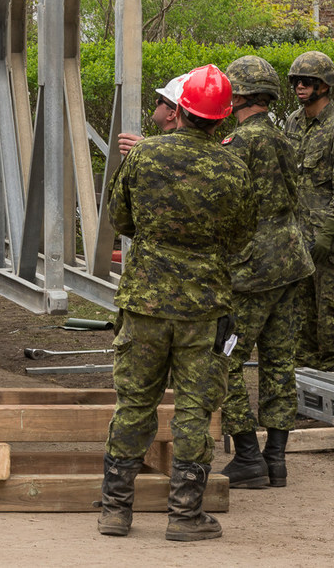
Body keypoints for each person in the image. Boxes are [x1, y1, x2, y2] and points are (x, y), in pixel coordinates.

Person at [96, 64, 252, 543]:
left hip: (144, 300)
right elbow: (241, 239)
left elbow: (120, 217)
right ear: (221, 119)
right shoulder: (233, 168)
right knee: (193, 410)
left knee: (135, 403)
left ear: (180, 110)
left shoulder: (144, 158)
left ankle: (115, 511)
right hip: (203, 308)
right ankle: (185, 516)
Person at [214, 55, 315, 491]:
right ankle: (276, 459)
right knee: (279, 361)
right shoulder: (286, 138)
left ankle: (248, 456)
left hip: (251, 269)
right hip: (291, 262)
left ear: (238, 95)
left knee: (227, 359)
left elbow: (224, 205)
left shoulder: (238, 145)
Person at [284, 50, 334, 372]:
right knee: (301, 329)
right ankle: (304, 398)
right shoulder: (293, 123)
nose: (300, 86)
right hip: (299, 244)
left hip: (333, 249)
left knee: (333, 331)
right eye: (296, 80)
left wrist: (325, 235)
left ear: (325, 86)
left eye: (307, 81)